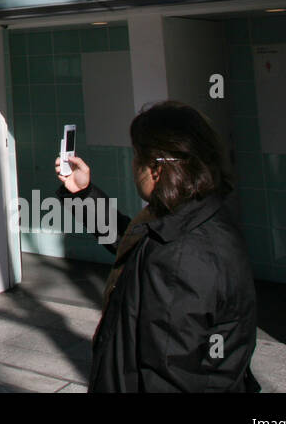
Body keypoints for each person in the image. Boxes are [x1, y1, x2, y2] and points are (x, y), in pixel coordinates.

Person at [55, 100, 259, 393]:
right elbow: (134, 242)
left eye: (137, 156)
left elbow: (168, 376)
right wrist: (82, 193)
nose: (134, 165)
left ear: (156, 169)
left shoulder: (179, 257)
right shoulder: (194, 217)